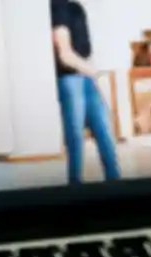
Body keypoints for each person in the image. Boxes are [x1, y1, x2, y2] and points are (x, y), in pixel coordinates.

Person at [50, 0, 122, 184]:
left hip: (84, 77)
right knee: (75, 137)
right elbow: (65, 54)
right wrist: (94, 72)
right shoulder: (59, 7)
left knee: (104, 129)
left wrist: (91, 73)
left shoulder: (75, 8)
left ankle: (115, 183)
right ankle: (75, 188)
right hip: (70, 78)